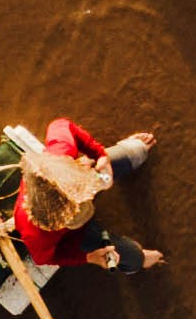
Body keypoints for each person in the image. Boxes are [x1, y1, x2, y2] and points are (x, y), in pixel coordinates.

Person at [14, 118, 165, 276]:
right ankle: (135, 261)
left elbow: (61, 124)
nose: (85, 211)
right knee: (135, 259)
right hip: (75, 236)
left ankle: (127, 149)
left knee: (137, 150)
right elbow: (45, 258)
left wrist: (100, 155)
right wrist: (88, 257)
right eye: (76, 216)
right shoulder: (36, 235)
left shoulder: (60, 152)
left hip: (81, 174)